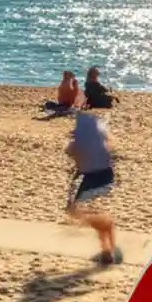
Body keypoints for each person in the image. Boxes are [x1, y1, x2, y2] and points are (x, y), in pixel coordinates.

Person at [65, 112, 121, 265]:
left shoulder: (78, 142)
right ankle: (108, 249)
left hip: (92, 178)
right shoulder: (102, 139)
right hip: (106, 176)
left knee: (77, 211)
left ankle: (107, 247)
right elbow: (111, 149)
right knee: (93, 210)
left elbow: (71, 152)